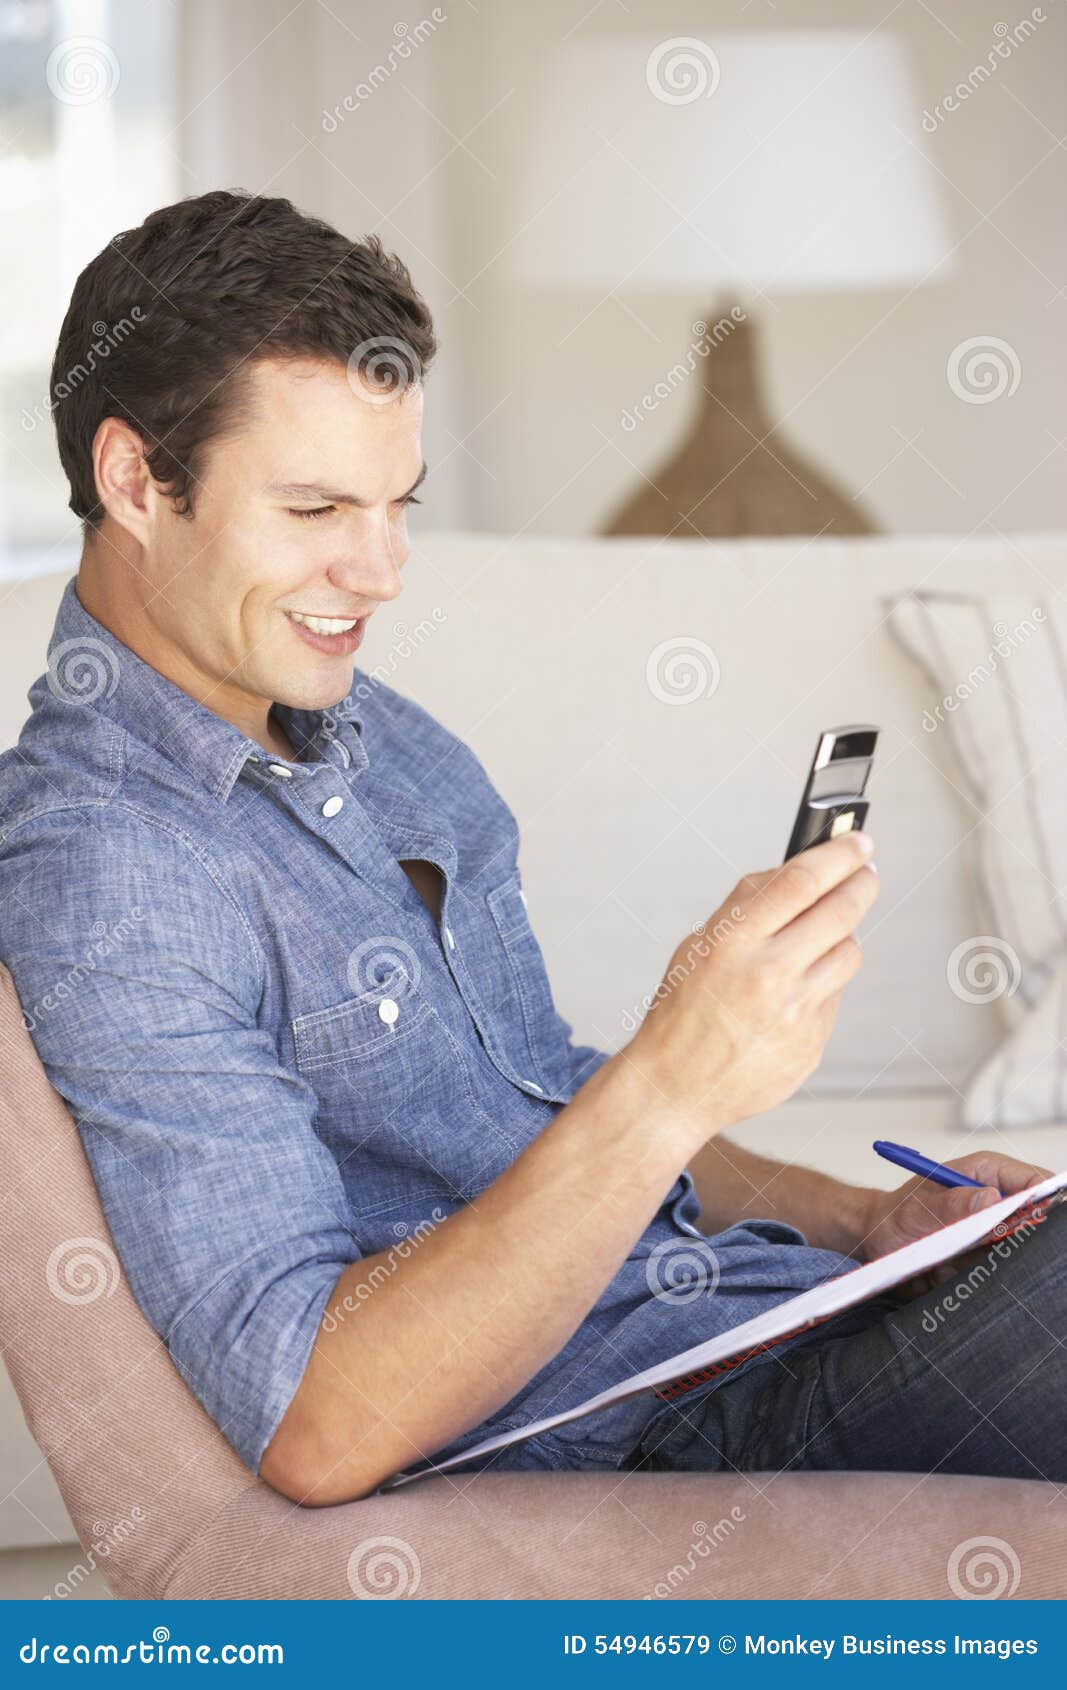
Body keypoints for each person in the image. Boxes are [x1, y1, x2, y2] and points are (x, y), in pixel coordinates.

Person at [0, 192, 1055, 1507]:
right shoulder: (116, 872)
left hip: (767, 1314)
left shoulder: (354, 725)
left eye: (397, 505)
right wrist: (677, 1074)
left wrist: (865, 1222)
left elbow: (536, 1091)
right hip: (671, 1419)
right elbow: (314, 1417)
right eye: (320, 507)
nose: (380, 570)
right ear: (134, 481)